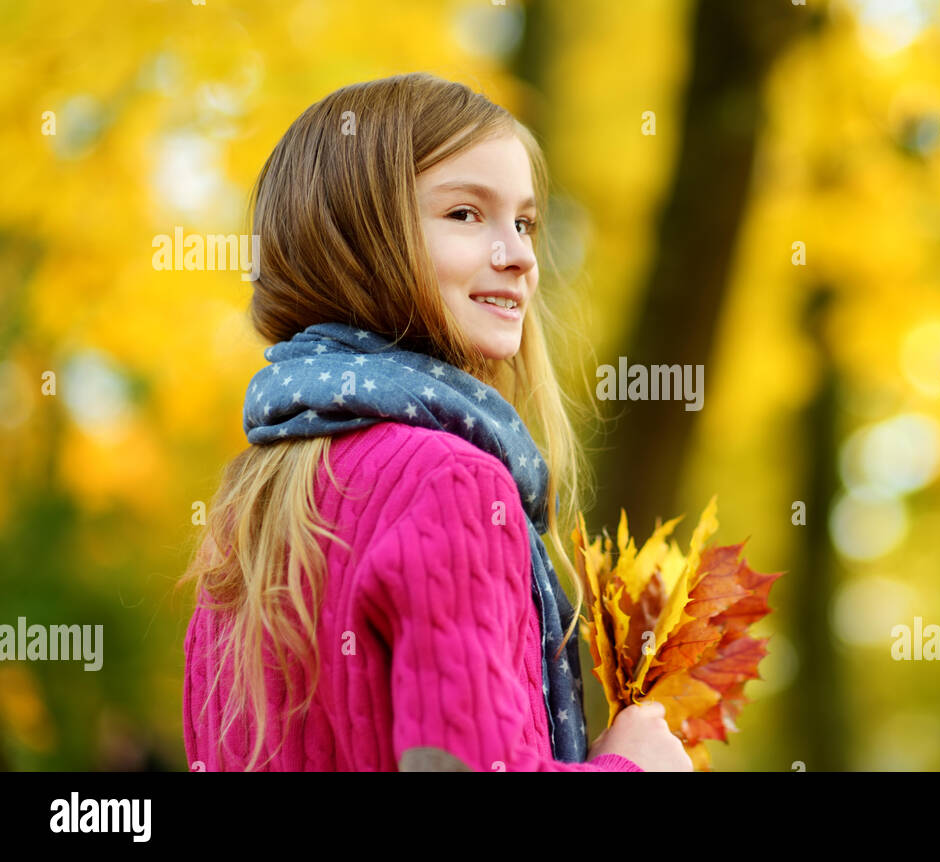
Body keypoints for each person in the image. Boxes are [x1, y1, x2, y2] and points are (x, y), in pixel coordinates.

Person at [180, 73, 692, 773]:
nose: (519, 256)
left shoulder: (251, 507)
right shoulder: (451, 484)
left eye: (525, 222)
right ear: (358, 243)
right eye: (465, 215)